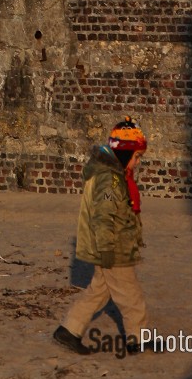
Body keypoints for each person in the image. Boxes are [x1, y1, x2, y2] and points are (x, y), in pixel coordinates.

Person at [53, 117, 148, 356]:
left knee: (99, 291)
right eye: (136, 157)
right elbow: (104, 217)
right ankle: (138, 339)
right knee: (131, 296)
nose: (138, 163)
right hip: (113, 248)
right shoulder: (110, 179)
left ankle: (69, 330)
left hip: (112, 244)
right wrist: (106, 249)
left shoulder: (113, 174)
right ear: (125, 154)